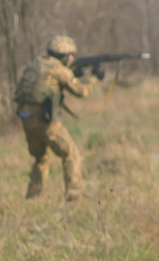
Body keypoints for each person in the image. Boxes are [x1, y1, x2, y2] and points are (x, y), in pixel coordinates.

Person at [13, 35, 100, 200]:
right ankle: (74, 197)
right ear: (65, 56)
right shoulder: (59, 70)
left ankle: (33, 196)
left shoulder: (36, 64)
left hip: (26, 118)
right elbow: (82, 91)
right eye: (70, 56)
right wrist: (94, 78)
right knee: (71, 154)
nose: (72, 58)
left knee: (41, 158)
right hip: (44, 122)